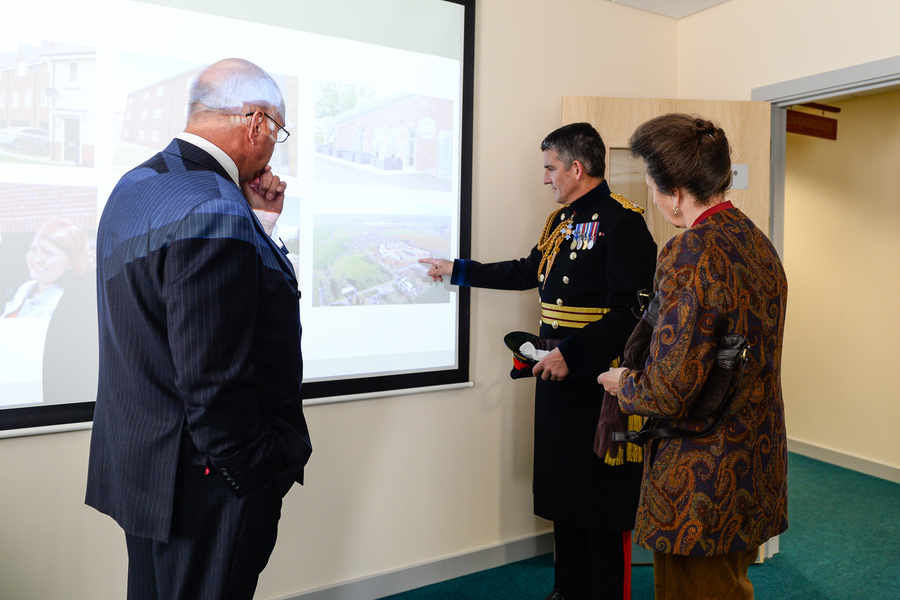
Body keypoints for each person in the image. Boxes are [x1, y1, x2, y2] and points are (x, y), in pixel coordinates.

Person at [86, 58, 312, 600]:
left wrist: (261, 225)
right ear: (256, 122)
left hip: (145, 466)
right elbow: (214, 375)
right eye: (277, 133)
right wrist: (254, 474)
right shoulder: (215, 206)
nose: (274, 146)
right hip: (205, 485)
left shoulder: (137, 184)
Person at [421, 123, 657, 600]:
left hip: (598, 379)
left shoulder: (624, 222)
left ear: (577, 168)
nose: (545, 178)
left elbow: (631, 313)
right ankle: (566, 589)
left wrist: (571, 354)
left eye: (551, 168)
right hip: (553, 370)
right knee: (564, 492)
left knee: (600, 500)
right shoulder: (561, 221)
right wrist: (459, 271)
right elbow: (530, 271)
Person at [598, 114, 788, 600]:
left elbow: (669, 387)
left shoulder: (691, 252)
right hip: (754, 458)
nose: (658, 202)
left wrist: (623, 383)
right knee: (731, 585)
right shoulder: (756, 242)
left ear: (676, 191)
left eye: (654, 189)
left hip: (700, 473)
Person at [1, 219, 91, 319]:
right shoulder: (25, 289)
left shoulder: (69, 303)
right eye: (33, 250)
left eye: (48, 253)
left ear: (71, 262)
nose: (37, 259)